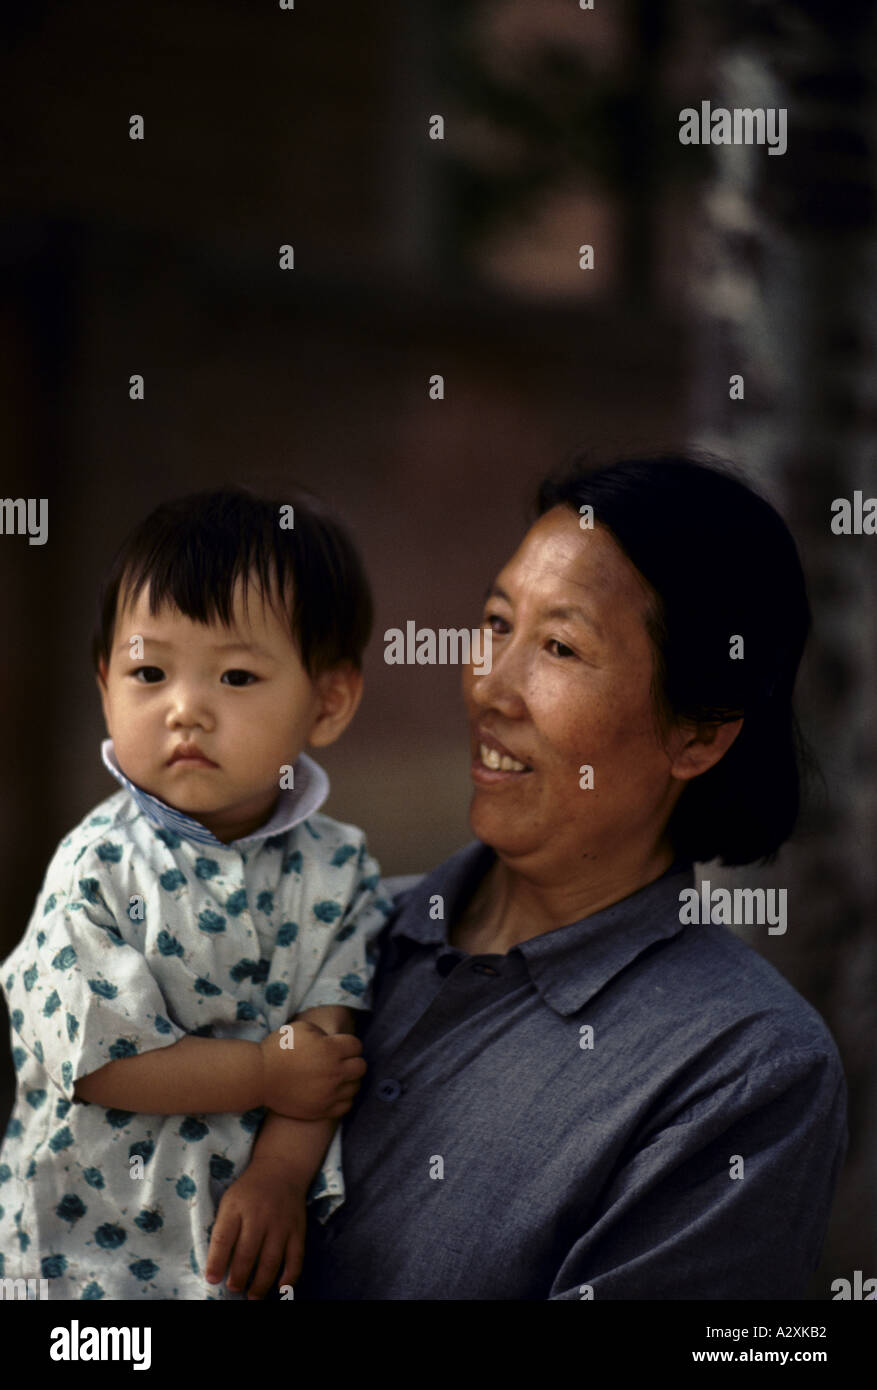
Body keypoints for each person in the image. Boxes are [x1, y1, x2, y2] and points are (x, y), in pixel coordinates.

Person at [280, 451, 846, 1300]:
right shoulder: (324, 927)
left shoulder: (742, 1068)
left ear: (697, 733)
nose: (490, 687)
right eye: (497, 622)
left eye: (558, 646)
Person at [0, 485, 392, 1300]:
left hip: (240, 1252)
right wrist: (262, 1075)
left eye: (237, 675)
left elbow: (324, 1050)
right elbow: (101, 1063)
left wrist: (282, 1176)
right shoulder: (97, 867)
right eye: (149, 671)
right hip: (85, 1258)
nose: (185, 709)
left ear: (329, 700)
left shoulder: (337, 867)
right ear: (105, 681)